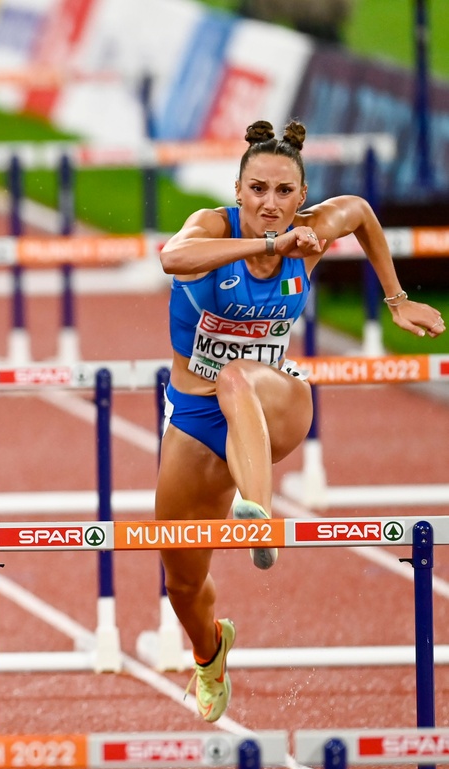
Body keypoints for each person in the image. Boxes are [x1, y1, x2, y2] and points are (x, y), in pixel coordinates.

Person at [157, 120, 445, 723]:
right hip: (193, 415)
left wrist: (396, 299)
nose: (271, 203)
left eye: (285, 192)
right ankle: (210, 654)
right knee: (182, 582)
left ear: (302, 195)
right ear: (237, 192)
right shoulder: (214, 228)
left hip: (276, 399)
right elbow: (172, 257)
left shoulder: (314, 228)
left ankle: (258, 516)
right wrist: (268, 248)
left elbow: (362, 212)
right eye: (258, 189)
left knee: (237, 375)